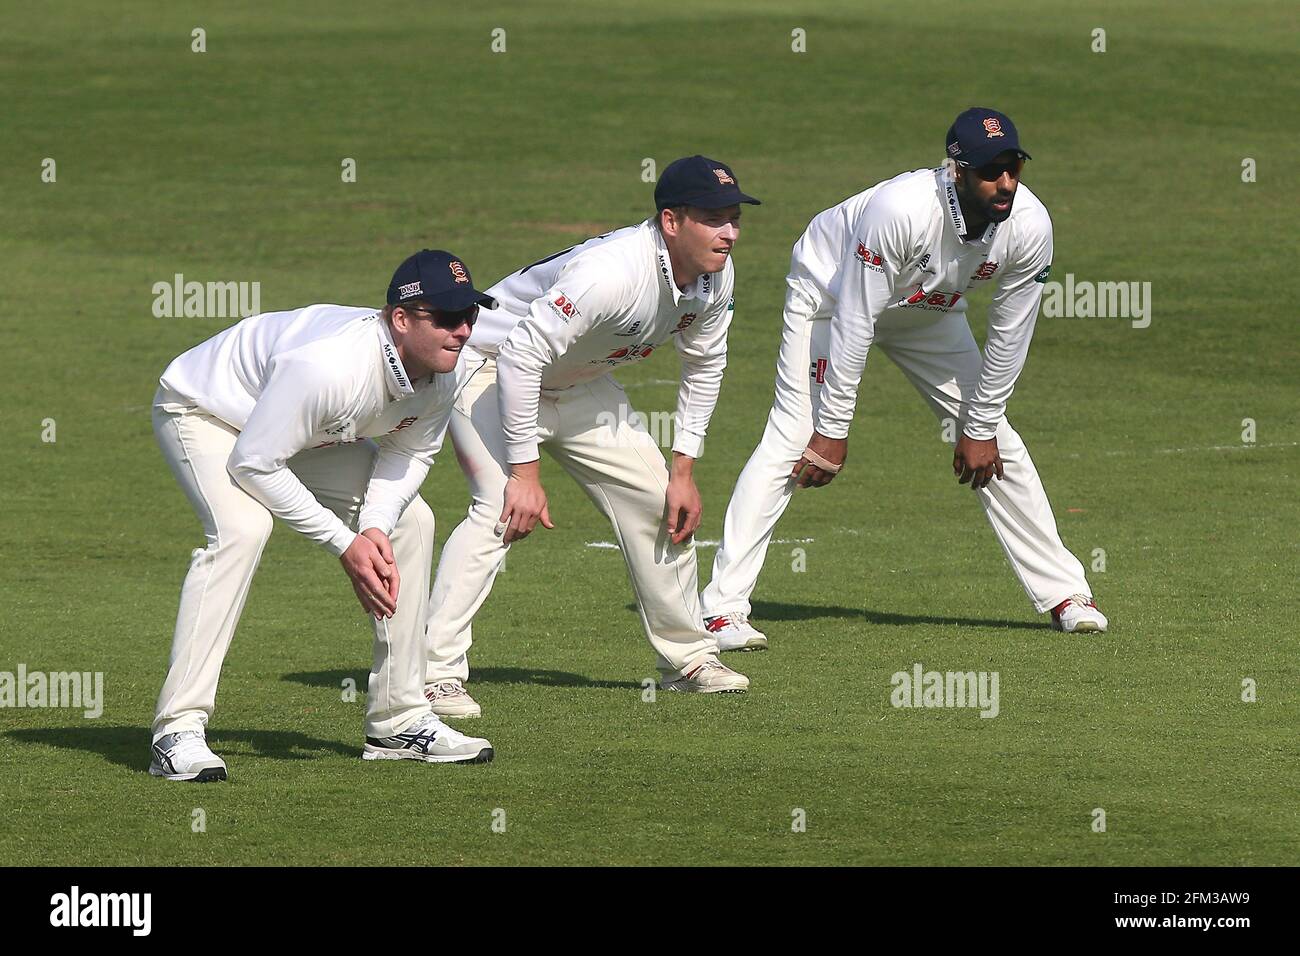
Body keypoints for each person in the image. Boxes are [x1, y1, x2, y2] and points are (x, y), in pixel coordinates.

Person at [701, 108, 1107, 652]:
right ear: (957, 170)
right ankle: (722, 612)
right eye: (991, 170)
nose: (1005, 182)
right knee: (795, 433)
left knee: (999, 442)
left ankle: (1066, 595)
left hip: (929, 309)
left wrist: (980, 425)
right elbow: (854, 317)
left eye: (1013, 167)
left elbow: (1012, 332)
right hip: (830, 294)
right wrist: (833, 429)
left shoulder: (1031, 225)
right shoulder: (901, 211)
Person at [422, 156, 761, 719]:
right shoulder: (612, 274)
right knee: (500, 510)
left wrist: (684, 472)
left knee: (661, 505)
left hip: (577, 382)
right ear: (672, 222)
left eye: (734, 218)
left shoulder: (715, 277)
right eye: (713, 219)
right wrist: (524, 476)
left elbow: (705, 363)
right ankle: (433, 676)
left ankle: (688, 660)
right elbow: (521, 356)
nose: (729, 232)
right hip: (490, 368)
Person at [149, 250, 495, 780]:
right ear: (401, 319)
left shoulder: (445, 371)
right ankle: (178, 729)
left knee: (411, 522)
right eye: (447, 319)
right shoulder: (330, 366)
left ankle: (399, 718)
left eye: (470, 315)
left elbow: (412, 453)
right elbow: (255, 463)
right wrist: (344, 543)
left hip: (309, 431)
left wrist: (374, 528)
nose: (464, 330)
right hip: (209, 412)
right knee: (243, 529)